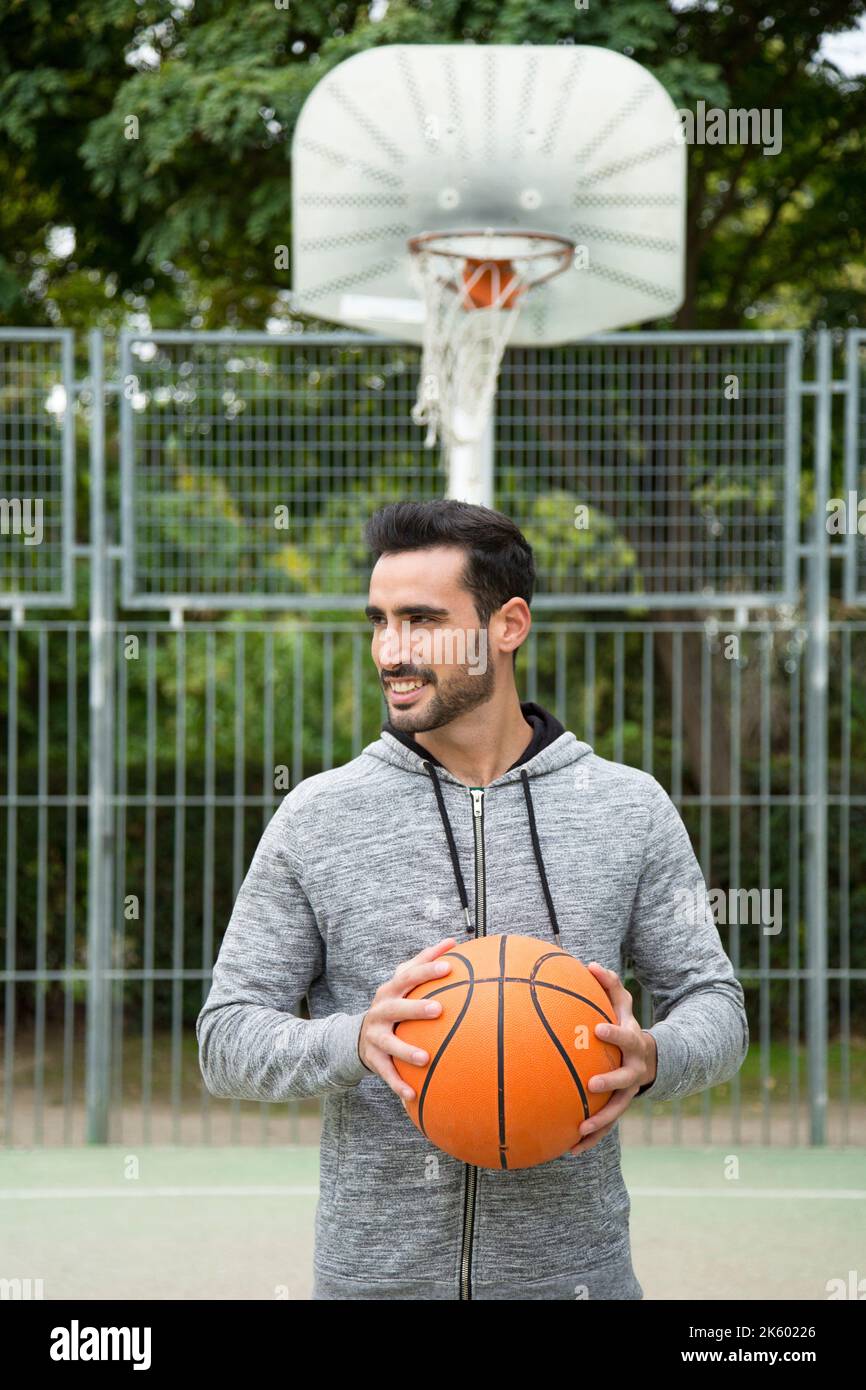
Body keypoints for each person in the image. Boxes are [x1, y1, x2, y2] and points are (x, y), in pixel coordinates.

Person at [196, 499, 749, 1300]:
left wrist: (655, 1056)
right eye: (379, 621)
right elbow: (225, 1038)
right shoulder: (319, 816)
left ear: (508, 624)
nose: (392, 650)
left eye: (422, 620)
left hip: (575, 1279)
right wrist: (357, 1041)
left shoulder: (627, 807)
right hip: (374, 1285)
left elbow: (717, 1005)